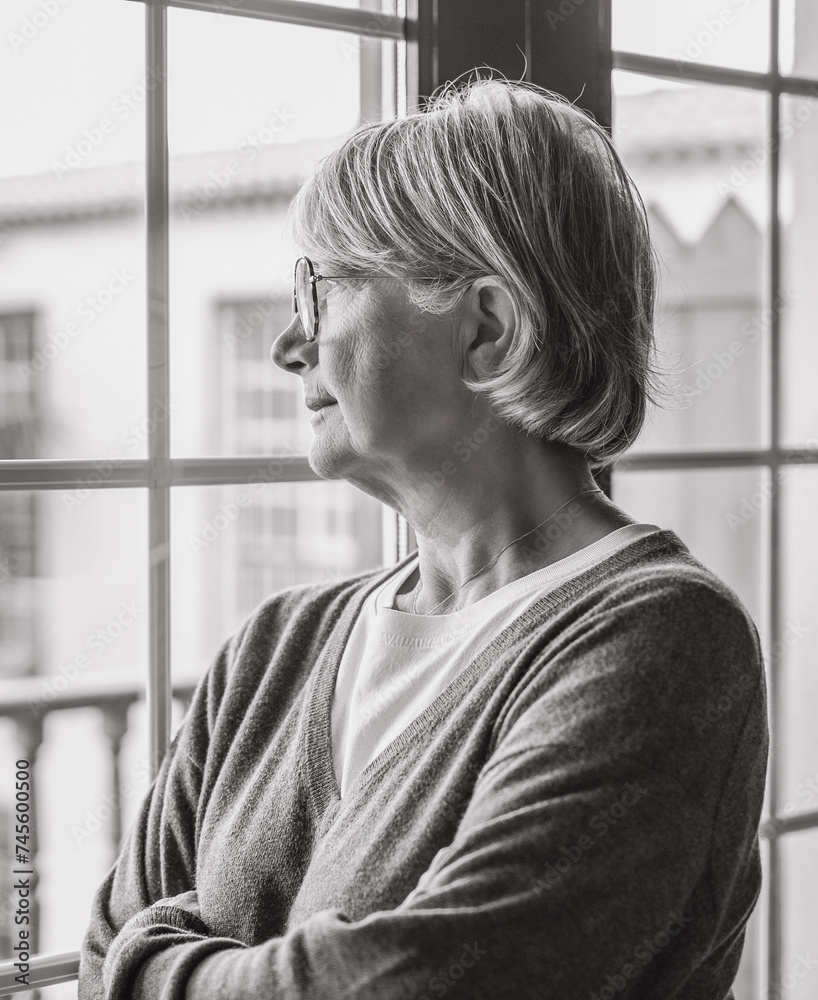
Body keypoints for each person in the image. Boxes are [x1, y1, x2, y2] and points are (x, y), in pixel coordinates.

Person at [79, 76, 768, 1000]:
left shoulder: (664, 638)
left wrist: (154, 963)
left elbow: (418, 987)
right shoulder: (273, 648)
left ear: (488, 329)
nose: (289, 345)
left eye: (319, 289)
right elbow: (97, 955)